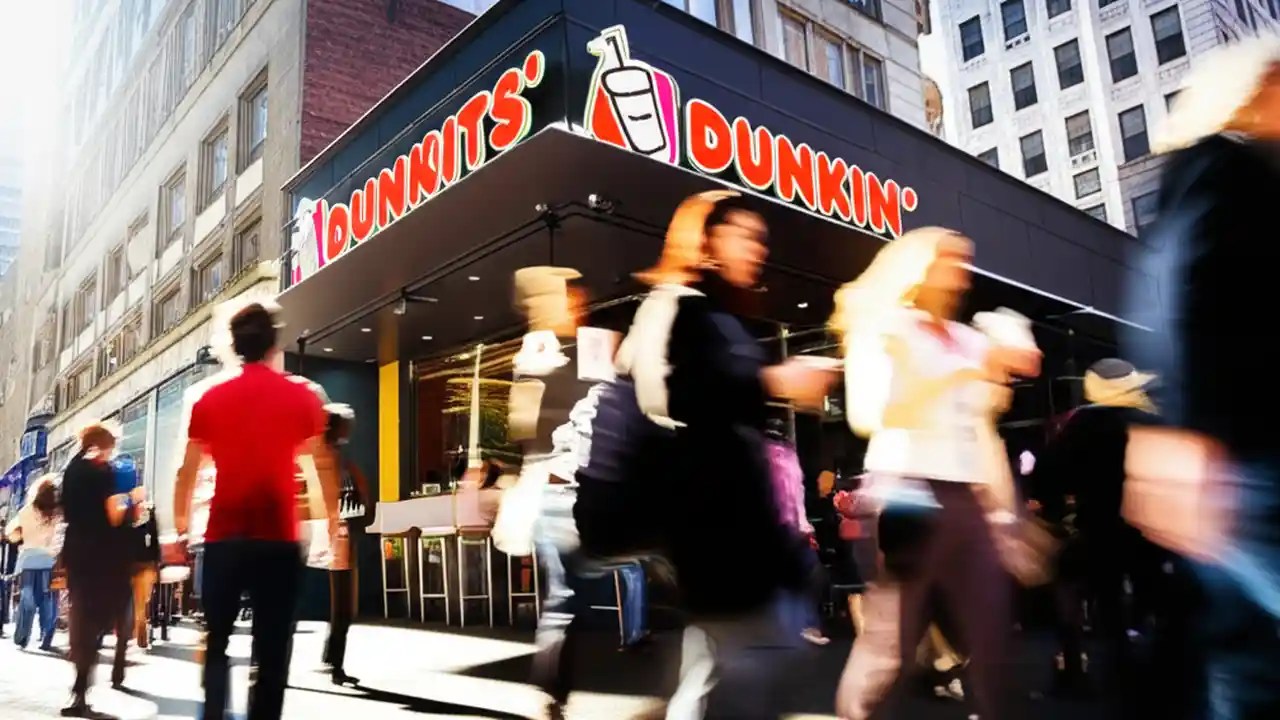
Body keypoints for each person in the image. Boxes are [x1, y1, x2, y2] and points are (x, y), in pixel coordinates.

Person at [617, 190, 835, 719]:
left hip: (731, 522)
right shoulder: (688, 310)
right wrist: (773, 379)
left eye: (761, 238)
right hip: (712, 524)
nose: (757, 249)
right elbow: (686, 396)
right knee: (746, 660)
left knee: (720, 665)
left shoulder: (722, 316)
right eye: (744, 235)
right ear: (709, 242)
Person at [1121, 37, 1280, 720]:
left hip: (1241, 457)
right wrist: (1186, 427)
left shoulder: (1226, 177)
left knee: (1248, 666)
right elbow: (1187, 289)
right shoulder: (1228, 171)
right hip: (1246, 457)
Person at [830, 227, 1042, 720]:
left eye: (964, 260)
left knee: (992, 636)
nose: (960, 271)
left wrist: (1004, 513)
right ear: (918, 266)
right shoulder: (885, 329)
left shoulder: (969, 338)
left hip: (965, 499)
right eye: (949, 258)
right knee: (893, 647)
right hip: (905, 491)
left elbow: (982, 430)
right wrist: (958, 374)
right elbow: (869, 413)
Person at [173, 300, 338, 720]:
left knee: (217, 638)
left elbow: (186, 473)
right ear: (273, 343)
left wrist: (178, 530)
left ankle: (212, 714)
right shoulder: (301, 397)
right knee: (272, 645)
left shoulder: (210, 399)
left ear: (232, 344)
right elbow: (320, 465)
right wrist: (331, 523)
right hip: (278, 536)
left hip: (224, 535)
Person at [60, 422, 139, 717]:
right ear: (104, 444)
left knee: (83, 619)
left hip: (78, 554)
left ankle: (79, 690)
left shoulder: (71, 470)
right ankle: (90, 682)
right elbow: (114, 515)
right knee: (106, 617)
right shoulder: (106, 474)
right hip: (107, 557)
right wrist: (133, 500)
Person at [315, 404, 370, 686]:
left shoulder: (322, 455)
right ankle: (336, 663)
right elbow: (335, 497)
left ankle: (332, 657)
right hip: (339, 535)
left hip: (331, 533)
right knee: (344, 605)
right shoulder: (335, 458)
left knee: (343, 604)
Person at [6, 474, 61, 652]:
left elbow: (11, 532)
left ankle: (22, 636)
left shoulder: (25, 512)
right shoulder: (57, 513)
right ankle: (47, 635)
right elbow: (60, 537)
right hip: (48, 561)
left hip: (28, 561)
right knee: (48, 601)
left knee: (26, 601)